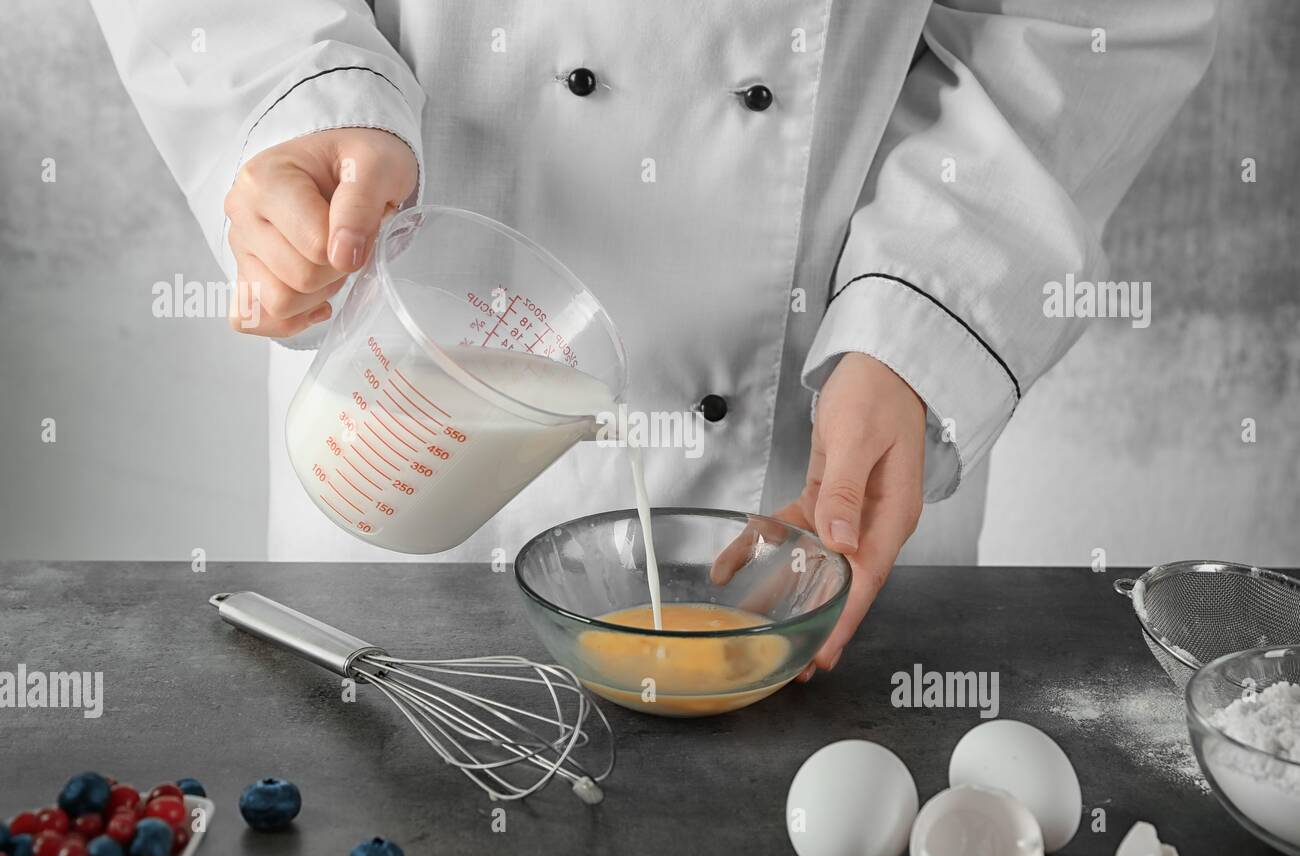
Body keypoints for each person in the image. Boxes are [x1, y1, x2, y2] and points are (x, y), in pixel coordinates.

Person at [92, 0, 1217, 678]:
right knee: (377, 783)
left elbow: (1088, 25)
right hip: (404, 399)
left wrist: (922, 318)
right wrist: (297, 95)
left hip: (823, 440)